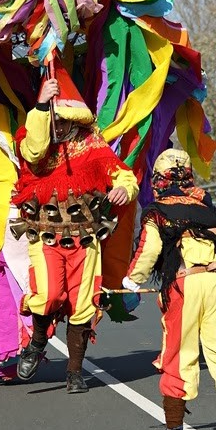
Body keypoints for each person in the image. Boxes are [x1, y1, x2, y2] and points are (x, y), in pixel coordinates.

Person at [122, 148, 216, 430]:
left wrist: (133, 279)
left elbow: (149, 250)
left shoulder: (158, 210)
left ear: (159, 180)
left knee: (179, 355)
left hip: (184, 285)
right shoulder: (206, 207)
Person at [13, 59, 138, 393]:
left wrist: (125, 187)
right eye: (53, 119)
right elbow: (34, 150)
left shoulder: (91, 144)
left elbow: (122, 173)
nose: (58, 126)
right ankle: (37, 344)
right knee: (49, 294)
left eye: (61, 120)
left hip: (85, 237)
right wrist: (41, 104)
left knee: (83, 301)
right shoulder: (32, 139)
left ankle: (74, 372)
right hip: (45, 234)